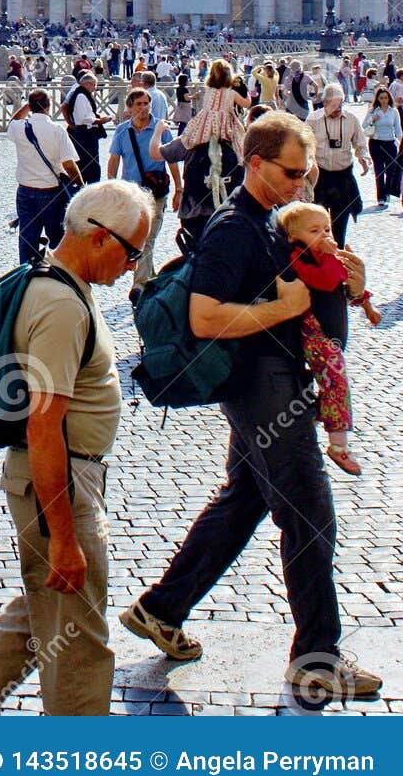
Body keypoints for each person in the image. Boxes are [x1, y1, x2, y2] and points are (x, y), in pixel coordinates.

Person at [121, 110, 382, 705]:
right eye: (293, 171)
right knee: (310, 515)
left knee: (244, 501)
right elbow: (204, 317)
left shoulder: (269, 219)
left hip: (270, 385)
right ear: (257, 163)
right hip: (262, 391)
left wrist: (345, 282)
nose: (302, 181)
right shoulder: (235, 228)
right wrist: (285, 312)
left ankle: (162, 608)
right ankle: (317, 659)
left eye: (307, 170)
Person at [0, 182, 154, 717]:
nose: (134, 264)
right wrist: (64, 536)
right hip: (59, 485)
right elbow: (44, 429)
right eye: (131, 251)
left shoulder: (52, 280)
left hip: (59, 479)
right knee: (78, 636)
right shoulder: (62, 306)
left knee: (40, 615)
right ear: (96, 237)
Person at [277, 201, 380, 478]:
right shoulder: (298, 259)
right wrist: (331, 259)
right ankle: (338, 445)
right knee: (336, 382)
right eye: (315, 231)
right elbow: (326, 280)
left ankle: (315, 414)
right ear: (294, 237)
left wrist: (367, 305)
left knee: (333, 382)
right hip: (315, 335)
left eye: (327, 229)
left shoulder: (322, 257)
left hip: (331, 332)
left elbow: (346, 283)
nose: (324, 236)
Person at [107, 88, 181, 294]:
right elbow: (114, 160)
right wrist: (112, 188)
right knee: (136, 238)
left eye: (146, 103)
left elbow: (172, 160)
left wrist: (179, 188)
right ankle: (151, 277)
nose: (143, 107)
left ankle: (139, 286)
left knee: (147, 239)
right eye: (138, 104)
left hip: (155, 191)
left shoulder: (161, 129)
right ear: (129, 108)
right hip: (130, 193)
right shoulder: (122, 130)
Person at [8, 90, 82, 264]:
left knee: (27, 238)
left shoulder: (19, 127)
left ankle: (25, 277)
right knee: (56, 238)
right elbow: (69, 164)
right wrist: (80, 184)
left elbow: (13, 121)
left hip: (25, 191)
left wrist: (28, 105)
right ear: (49, 106)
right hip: (51, 192)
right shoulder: (57, 130)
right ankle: (57, 274)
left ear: (31, 107)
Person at [309, 83, 369, 244]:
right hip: (320, 177)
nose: (338, 108)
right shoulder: (313, 119)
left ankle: (339, 258)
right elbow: (305, 146)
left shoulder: (351, 119)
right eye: (334, 105)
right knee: (318, 226)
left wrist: (363, 159)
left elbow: (360, 143)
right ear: (325, 103)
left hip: (343, 177)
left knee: (339, 228)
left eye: (340, 104)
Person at [180, 58, 250, 158]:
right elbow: (247, 104)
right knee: (239, 149)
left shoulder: (209, 90)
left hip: (205, 125)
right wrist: (245, 90)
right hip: (225, 127)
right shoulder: (231, 93)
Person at [61, 71, 107, 185]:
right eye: (94, 85)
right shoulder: (81, 95)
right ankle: (91, 188)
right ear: (87, 84)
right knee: (90, 163)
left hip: (84, 132)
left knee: (87, 162)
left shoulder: (80, 93)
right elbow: (83, 118)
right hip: (85, 133)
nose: (95, 88)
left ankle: (88, 185)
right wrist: (100, 120)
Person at [363, 86, 402, 208]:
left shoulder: (393, 111)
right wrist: (372, 120)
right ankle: (381, 196)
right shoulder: (373, 111)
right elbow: (364, 125)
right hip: (376, 143)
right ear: (378, 99)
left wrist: (401, 141)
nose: (384, 100)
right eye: (381, 98)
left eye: (385, 97)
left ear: (389, 98)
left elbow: (398, 130)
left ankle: (387, 192)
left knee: (391, 171)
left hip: (390, 143)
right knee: (379, 171)